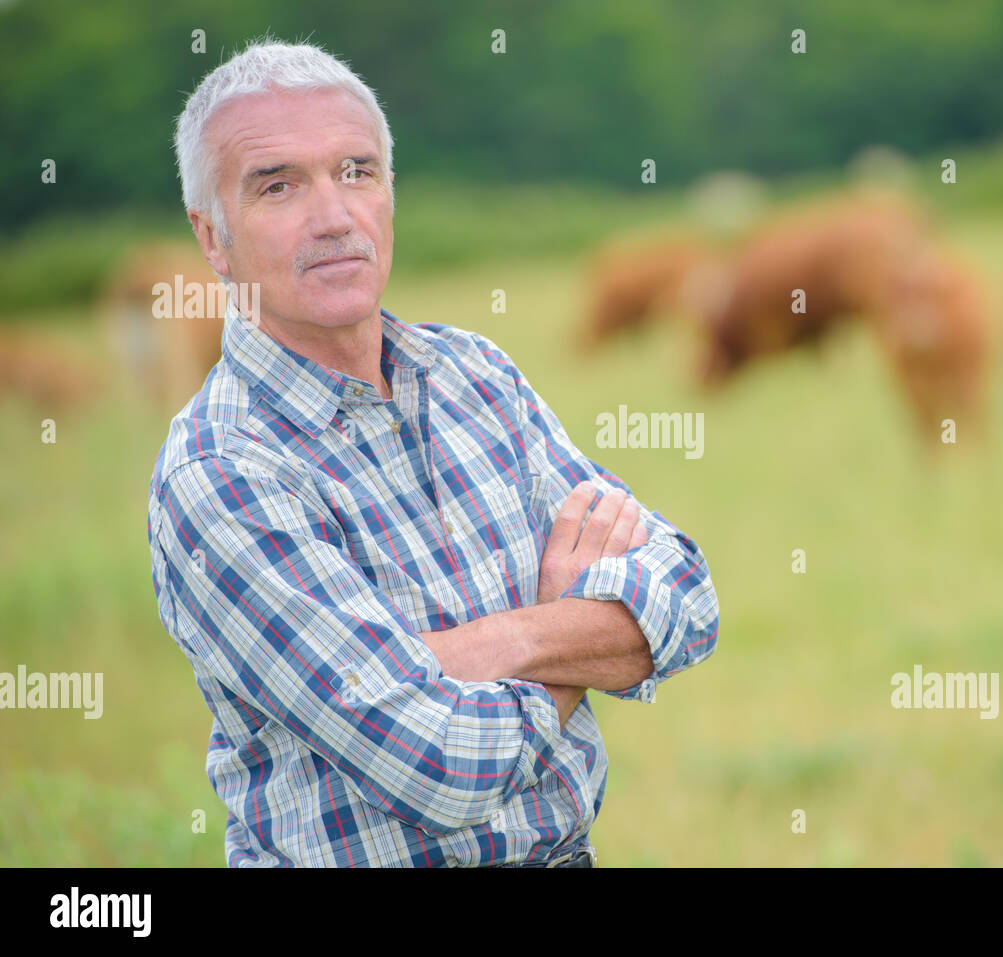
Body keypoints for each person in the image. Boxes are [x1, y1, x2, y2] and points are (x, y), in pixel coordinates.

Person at [145, 37, 720, 867]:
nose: (334, 215)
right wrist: (570, 638)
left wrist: (496, 645)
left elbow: (688, 597)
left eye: (357, 171)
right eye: (278, 186)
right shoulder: (224, 473)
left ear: (388, 192)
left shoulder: (475, 375)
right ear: (213, 236)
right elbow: (438, 767)